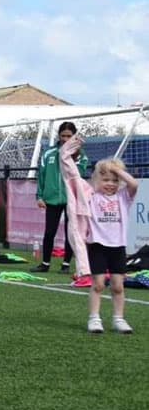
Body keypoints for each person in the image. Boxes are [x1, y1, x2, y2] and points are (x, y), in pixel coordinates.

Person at [60, 135, 137, 334]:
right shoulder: (91, 196)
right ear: (96, 179)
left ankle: (118, 319)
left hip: (118, 247)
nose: (110, 183)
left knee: (118, 286)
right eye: (105, 179)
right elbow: (73, 177)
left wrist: (116, 169)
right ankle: (94, 318)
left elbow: (134, 185)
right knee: (99, 283)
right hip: (97, 246)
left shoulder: (123, 197)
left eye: (114, 180)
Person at [35, 121, 88, 279]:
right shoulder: (48, 153)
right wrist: (39, 196)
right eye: (63, 135)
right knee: (49, 232)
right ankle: (45, 263)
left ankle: (66, 264)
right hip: (51, 199)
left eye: (69, 136)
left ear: (74, 136)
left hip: (71, 198)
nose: (65, 139)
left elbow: (78, 175)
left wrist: (71, 156)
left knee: (70, 232)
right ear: (59, 136)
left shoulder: (81, 155)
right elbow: (41, 175)